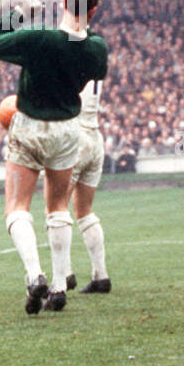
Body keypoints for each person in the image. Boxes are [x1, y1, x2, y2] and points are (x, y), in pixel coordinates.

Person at [0, 0, 108, 314]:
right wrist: (73, 5)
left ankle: (35, 275)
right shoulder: (97, 49)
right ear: (92, 13)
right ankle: (60, 284)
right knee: (59, 207)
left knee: (17, 208)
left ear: (62, 3)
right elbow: (78, 39)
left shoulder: (37, 37)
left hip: (29, 124)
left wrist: (19, 14)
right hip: (66, 130)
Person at [66, 76, 111, 294]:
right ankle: (101, 276)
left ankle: (63, 275)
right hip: (94, 136)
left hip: (73, 137)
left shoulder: (67, 52)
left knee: (55, 208)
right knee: (84, 212)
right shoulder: (94, 53)